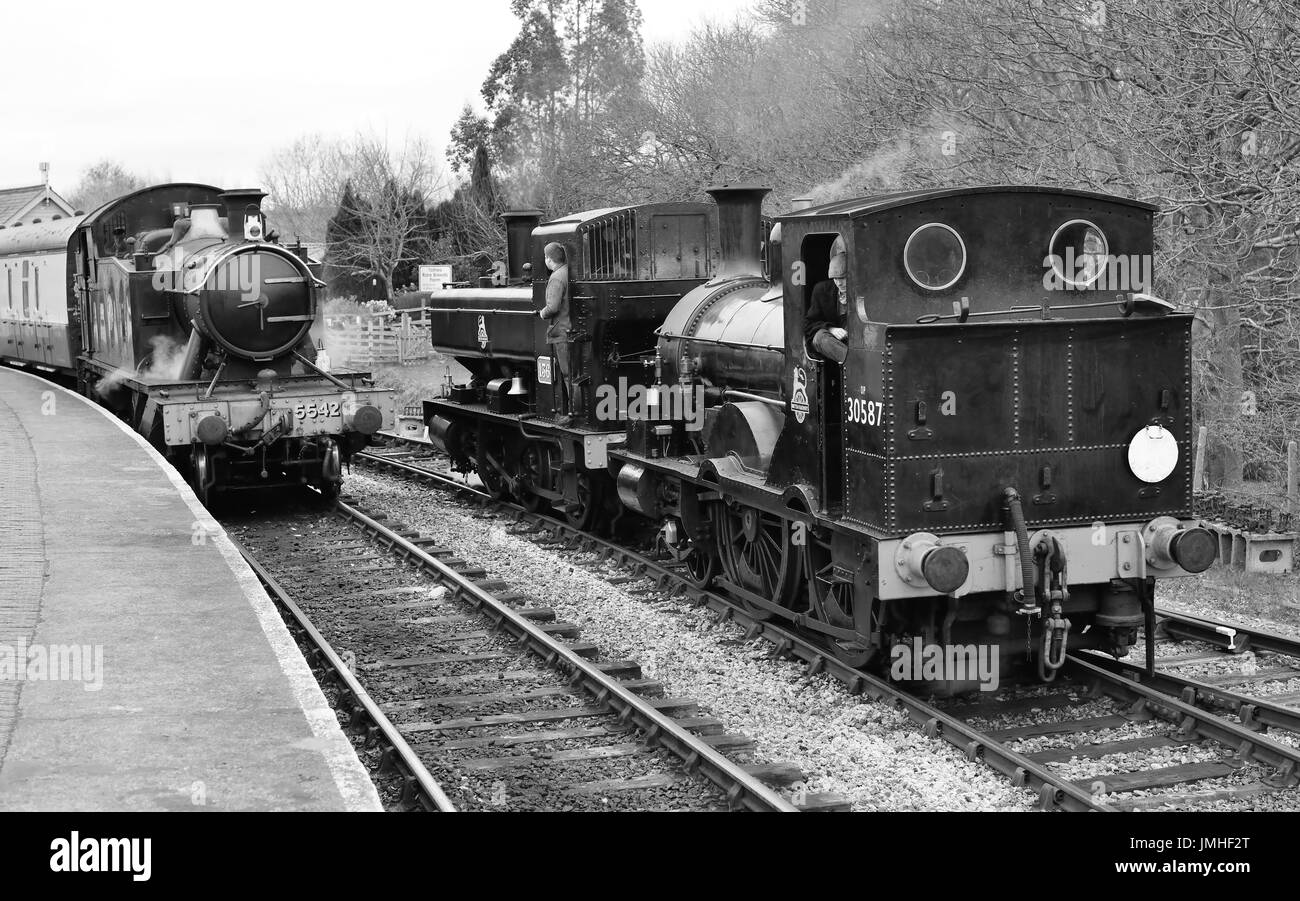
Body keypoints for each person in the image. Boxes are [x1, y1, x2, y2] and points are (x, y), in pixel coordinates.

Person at [539, 242, 576, 424]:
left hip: (562, 331)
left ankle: (572, 414)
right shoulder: (570, 272)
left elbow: (552, 307)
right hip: (572, 328)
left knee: (568, 374)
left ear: (548, 259)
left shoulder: (556, 277)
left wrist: (541, 313)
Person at [804, 252, 850, 363]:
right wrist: (831, 329)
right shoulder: (821, 290)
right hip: (830, 341)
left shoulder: (862, 291)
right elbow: (809, 324)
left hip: (854, 339)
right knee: (820, 338)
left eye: (842, 278)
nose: (839, 283)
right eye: (835, 278)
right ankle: (855, 364)